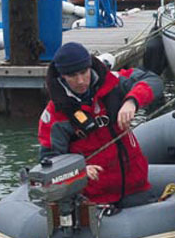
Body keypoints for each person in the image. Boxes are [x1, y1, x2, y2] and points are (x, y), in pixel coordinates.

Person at [37, 42, 164, 209]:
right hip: (93, 198)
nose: (80, 81)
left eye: (84, 72)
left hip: (135, 187)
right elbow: (51, 162)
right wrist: (79, 171)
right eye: (72, 76)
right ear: (62, 76)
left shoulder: (113, 83)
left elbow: (152, 80)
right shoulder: (54, 115)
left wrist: (132, 101)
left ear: (90, 67)